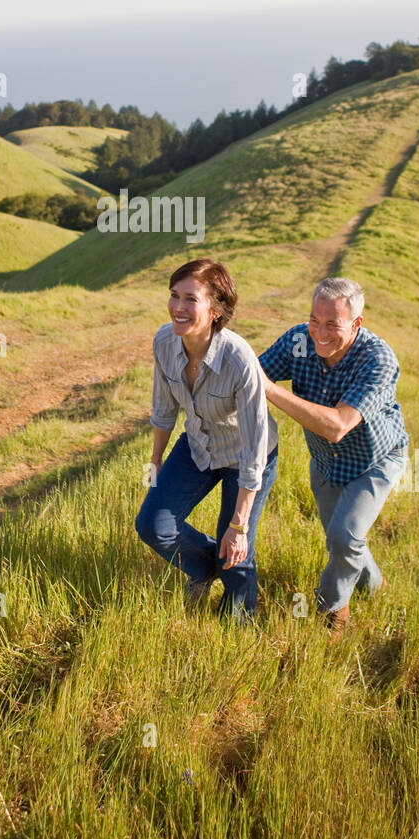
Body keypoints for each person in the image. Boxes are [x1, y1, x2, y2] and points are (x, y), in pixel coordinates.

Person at [259, 276, 408, 639]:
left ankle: (331, 610)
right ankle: (374, 586)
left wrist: (269, 392)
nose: (319, 333)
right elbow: (254, 371)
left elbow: (339, 425)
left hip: (374, 460)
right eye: (314, 320)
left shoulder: (377, 358)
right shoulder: (299, 340)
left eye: (332, 325)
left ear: (357, 324)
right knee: (344, 537)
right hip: (325, 462)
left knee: (343, 537)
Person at [135, 258, 278, 622]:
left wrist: (239, 527)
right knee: (153, 526)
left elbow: (254, 446)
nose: (178, 308)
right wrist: (156, 459)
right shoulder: (165, 342)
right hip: (197, 446)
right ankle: (202, 569)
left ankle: (240, 626)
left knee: (235, 552)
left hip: (247, 456)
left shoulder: (239, 360)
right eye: (174, 296)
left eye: (190, 299)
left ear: (215, 310)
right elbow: (164, 408)